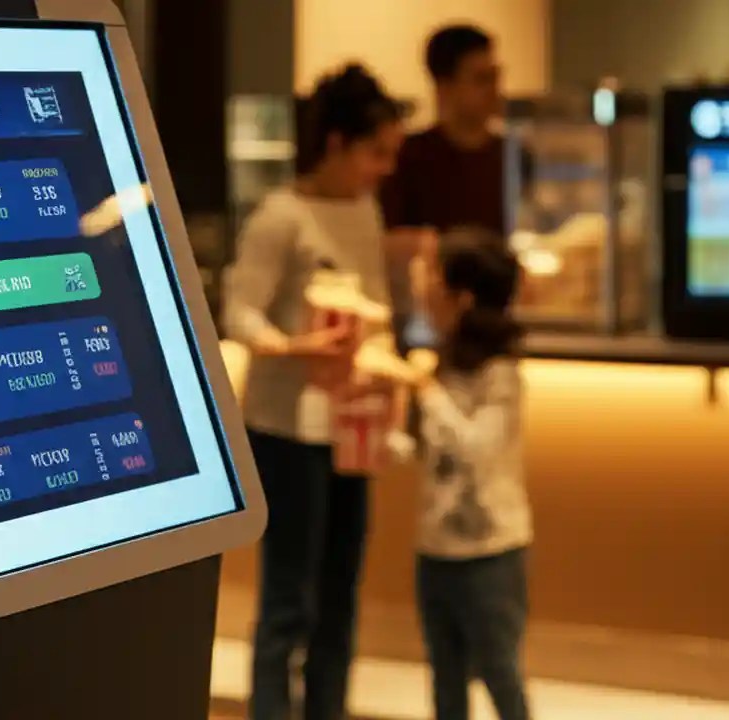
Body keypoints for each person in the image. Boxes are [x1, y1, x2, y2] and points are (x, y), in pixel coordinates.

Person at [222, 64, 403, 720]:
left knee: (340, 595)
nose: (383, 168)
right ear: (336, 143)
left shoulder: (363, 209)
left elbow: (375, 307)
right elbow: (238, 313)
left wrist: (385, 367)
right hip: (285, 426)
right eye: (375, 152)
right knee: (288, 599)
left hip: (350, 422)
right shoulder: (281, 215)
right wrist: (298, 348)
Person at [359, 230, 533, 720]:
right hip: (435, 550)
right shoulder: (439, 363)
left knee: (500, 672)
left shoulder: (500, 374)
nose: (423, 288)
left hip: (490, 552)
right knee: (445, 676)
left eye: (434, 278)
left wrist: (423, 388)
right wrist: (382, 408)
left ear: (462, 298)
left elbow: (475, 447)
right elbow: (415, 450)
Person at [380, 24, 506, 238]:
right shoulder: (407, 159)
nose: (494, 90)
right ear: (445, 86)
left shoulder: (513, 157)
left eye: (495, 77)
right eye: (481, 80)